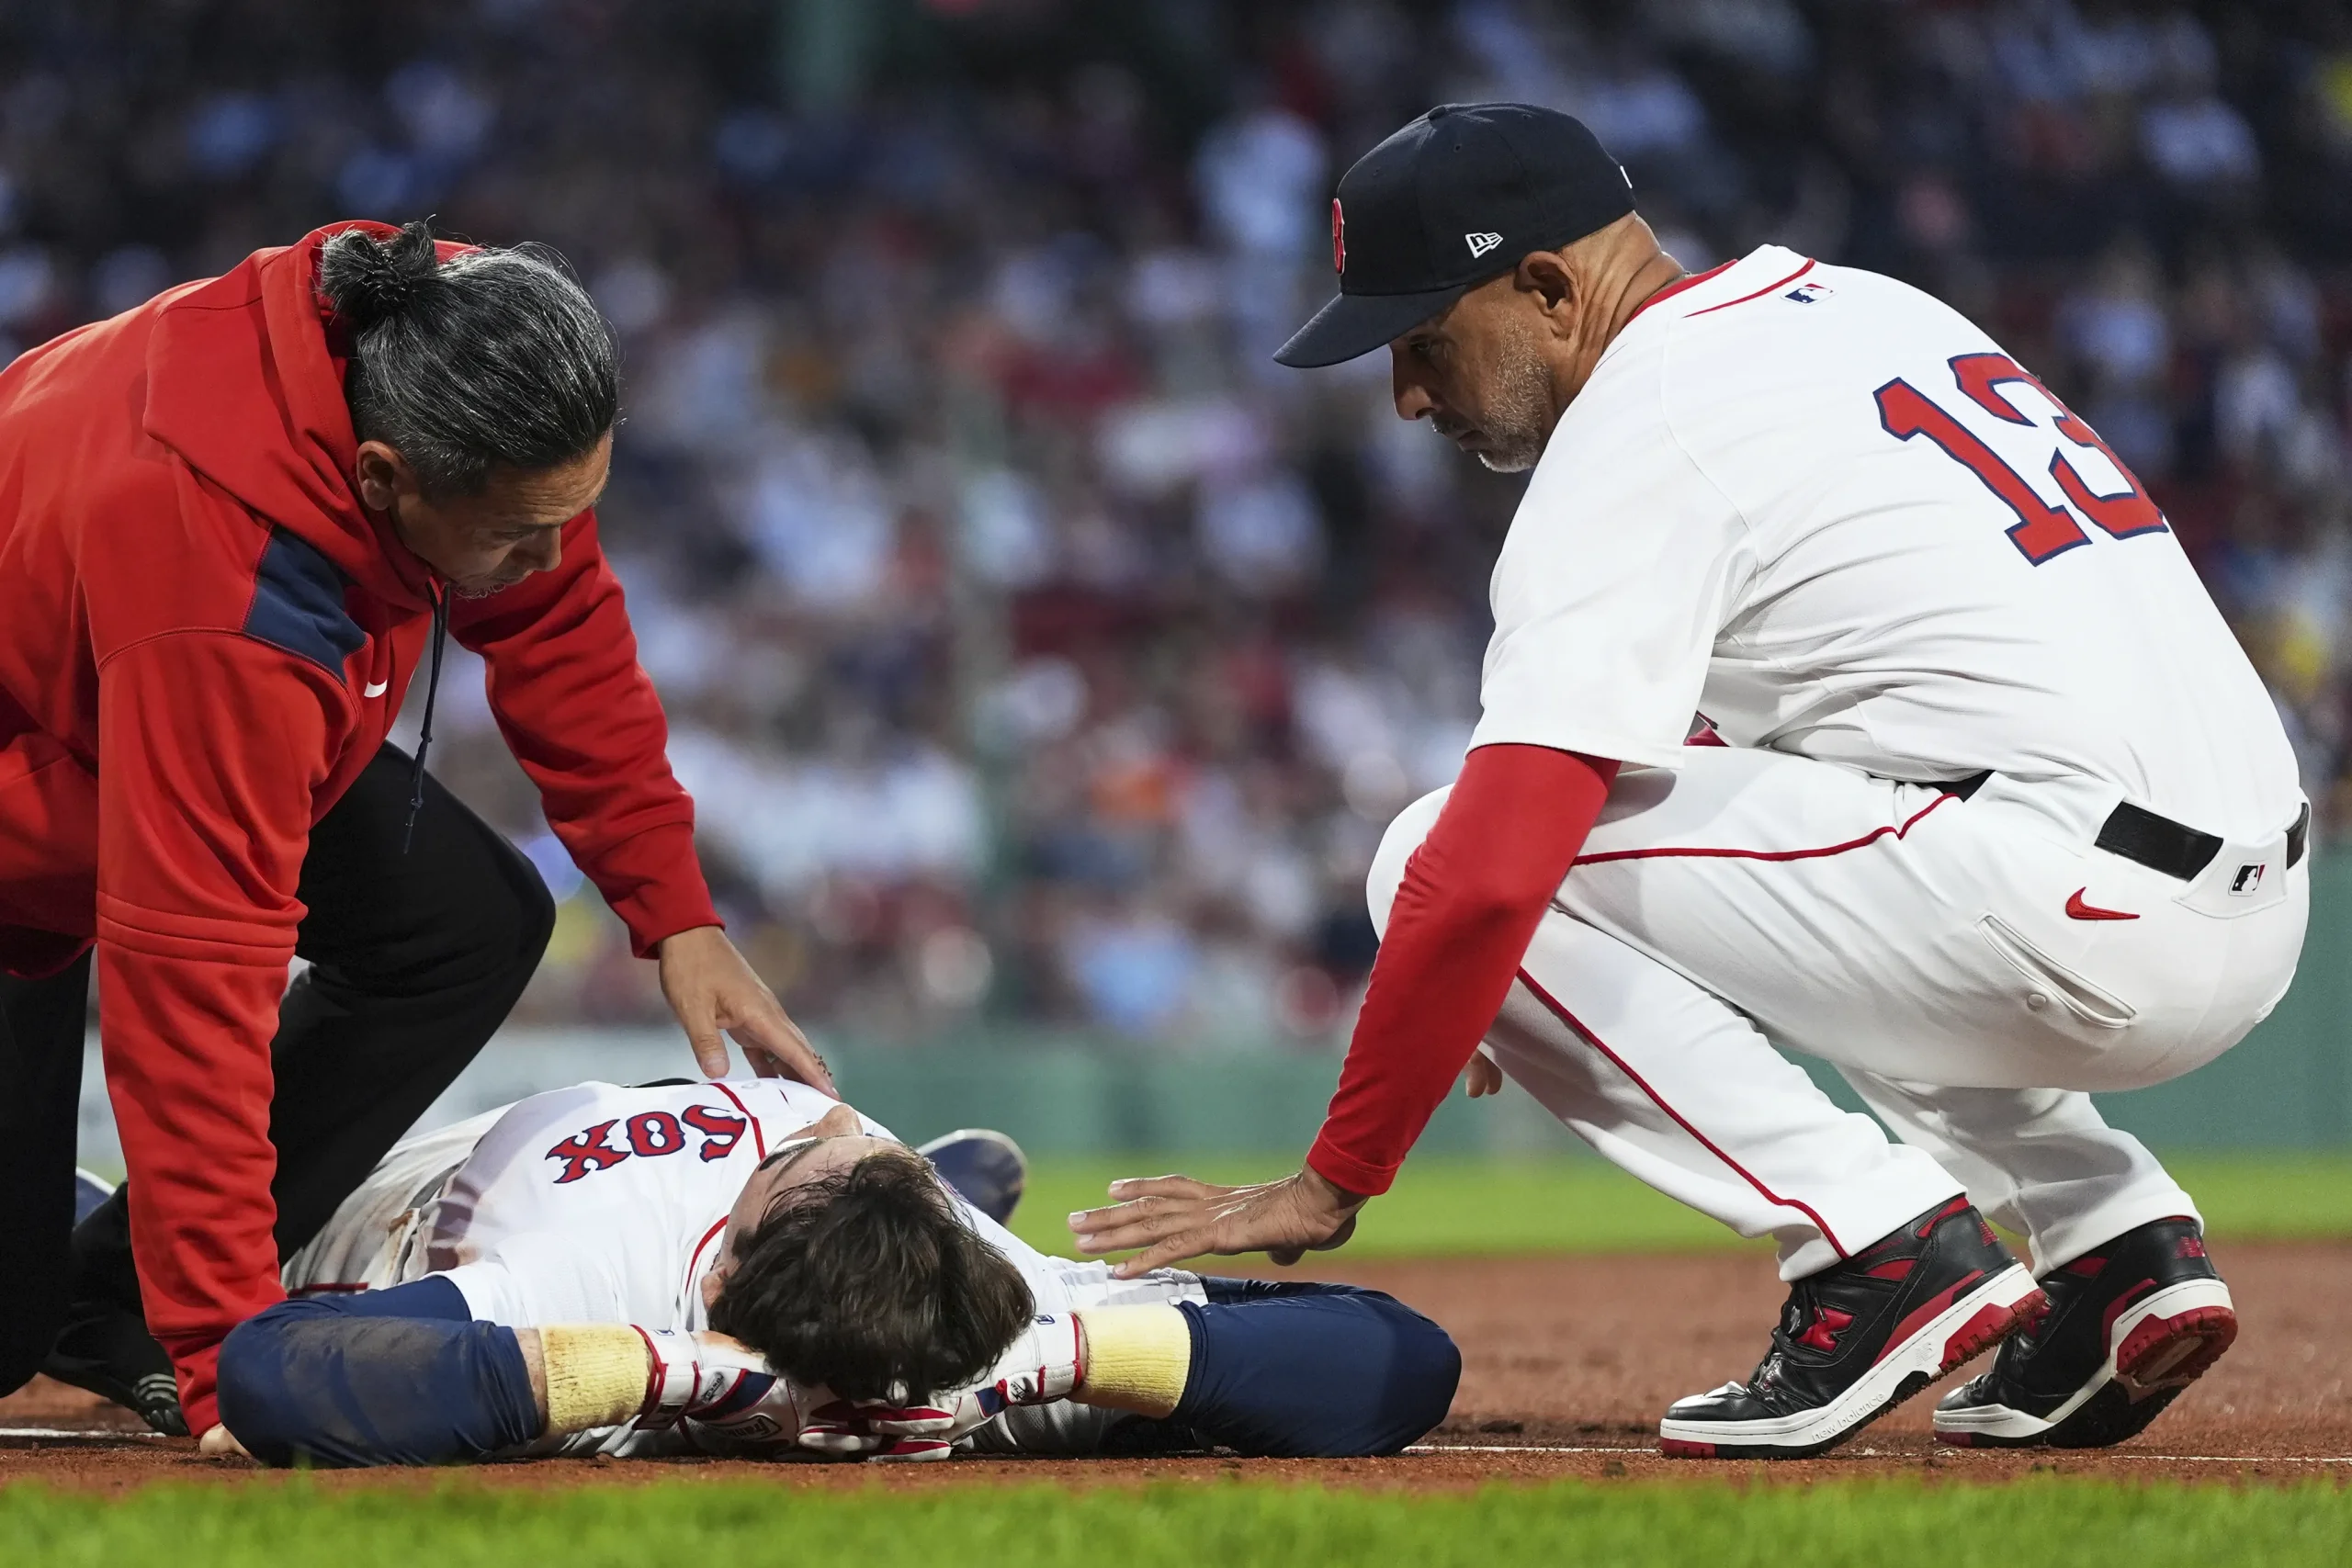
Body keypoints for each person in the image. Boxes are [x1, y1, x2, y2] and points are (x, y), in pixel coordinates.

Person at [1071, 104, 2301, 1460]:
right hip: (2237, 896)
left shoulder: (1644, 423)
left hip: (2064, 898)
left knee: (1428, 854)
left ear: (1546, 286)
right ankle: (2112, 1237)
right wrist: (1514, 959)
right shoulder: (1861, 309)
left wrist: (1330, 1181)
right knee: (1806, 870)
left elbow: (1483, 874)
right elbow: (1749, 766)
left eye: (1423, 336)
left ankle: (1872, 1249)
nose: (1409, 392)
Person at [0, 220, 831, 1446]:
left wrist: (678, 916)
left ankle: (107, 1314)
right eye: (515, 536)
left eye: (575, 512)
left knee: (470, 922)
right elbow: (194, 994)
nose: (550, 558)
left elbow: (564, 631)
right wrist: (240, 1365)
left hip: (98, 705)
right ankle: (100, 1301)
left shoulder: (458, 343)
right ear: (383, 478)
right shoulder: (226, 593)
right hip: (47, 777)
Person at [203, 1077, 1459, 1465]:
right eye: (817, 1156)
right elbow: (269, 1365)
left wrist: (1038, 1355)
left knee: (935, 1199)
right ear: (736, 1237)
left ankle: (959, 1171)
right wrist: (690, 1372)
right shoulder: (602, 1263)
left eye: (849, 1150)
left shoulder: (969, 1297)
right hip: (442, 1175)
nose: (836, 1126)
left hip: (813, 1241)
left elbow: (1404, 1355)